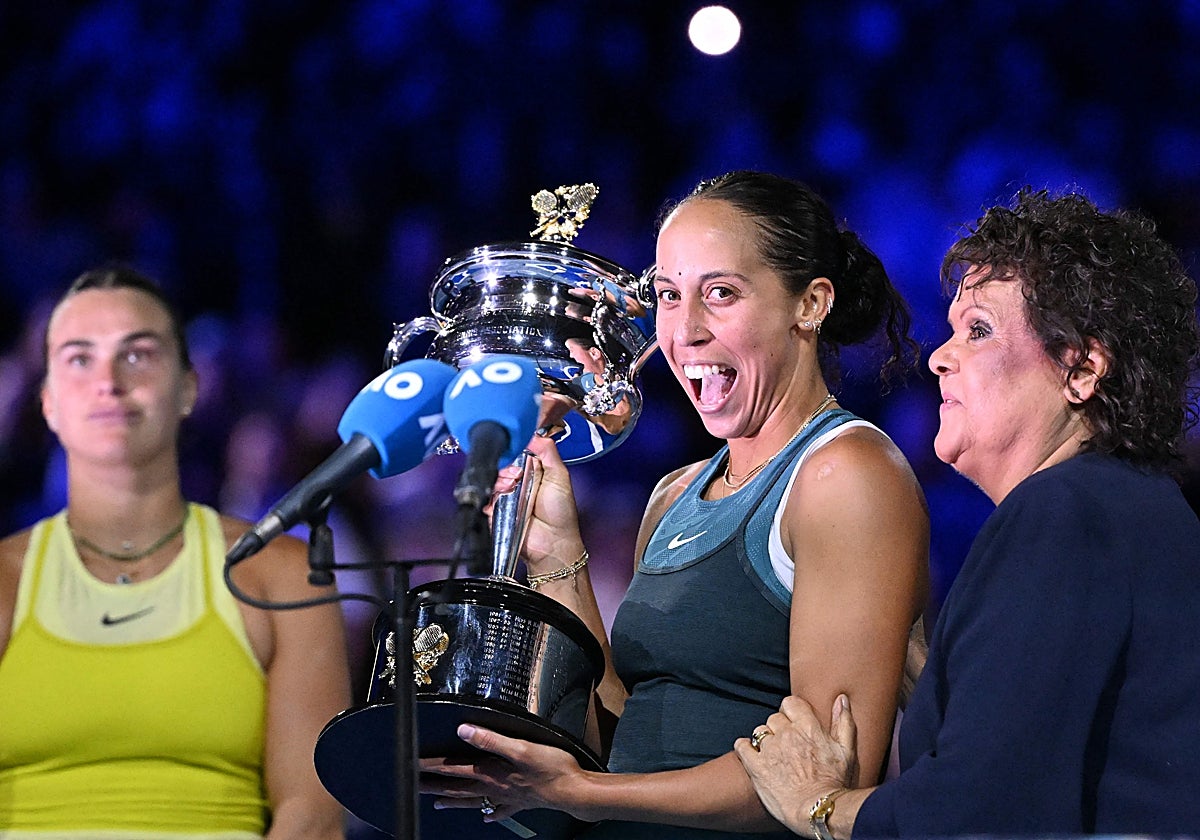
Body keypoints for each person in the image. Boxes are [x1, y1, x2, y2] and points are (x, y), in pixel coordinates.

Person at [422, 170, 931, 837]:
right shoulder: (672, 495)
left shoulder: (846, 474)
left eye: (720, 293)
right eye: (667, 295)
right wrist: (560, 558)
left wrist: (584, 793)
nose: (682, 331)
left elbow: (826, 780)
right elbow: (626, 739)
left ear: (810, 304)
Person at [734, 188, 1200, 837]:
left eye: (977, 329)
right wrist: (927, 668)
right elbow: (1051, 740)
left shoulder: (1060, 512)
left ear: (1083, 368)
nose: (938, 356)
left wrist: (818, 804)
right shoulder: (1139, 505)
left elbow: (977, 809)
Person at [0, 266, 352, 839]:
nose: (108, 382)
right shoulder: (5, 579)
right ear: (47, 403)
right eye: (78, 359)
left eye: (137, 355)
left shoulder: (282, 573)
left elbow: (312, 816)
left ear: (189, 388)